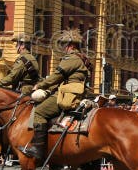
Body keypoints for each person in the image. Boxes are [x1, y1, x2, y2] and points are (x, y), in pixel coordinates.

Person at [25, 30, 90, 161]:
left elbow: (56, 76)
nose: (64, 49)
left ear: (71, 46)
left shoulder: (71, 58)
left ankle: (37, 149)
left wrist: (41, 85)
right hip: (75, 92)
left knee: (39, 112)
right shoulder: (81, 59)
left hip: (68, 95)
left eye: (65, 45)